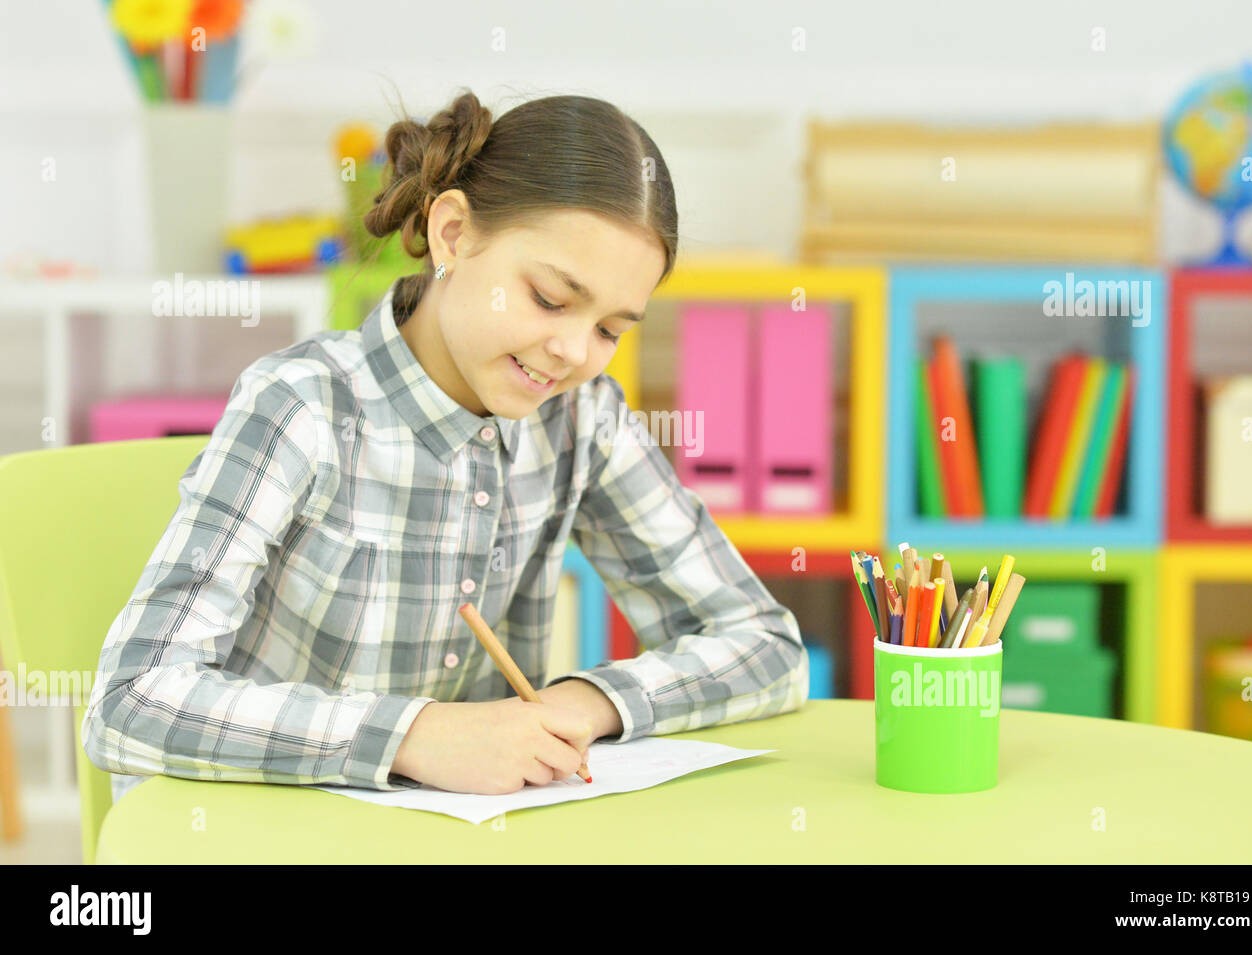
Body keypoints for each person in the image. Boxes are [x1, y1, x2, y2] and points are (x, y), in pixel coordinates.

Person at [82, 88, 807, 800]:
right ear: (452, 234)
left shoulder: (582, 418)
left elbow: (766, 646)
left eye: (611, 329)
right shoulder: (302, 406)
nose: (571, 351)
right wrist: (413, 735)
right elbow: (131, 698)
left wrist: (589, 700)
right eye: (550, 299)